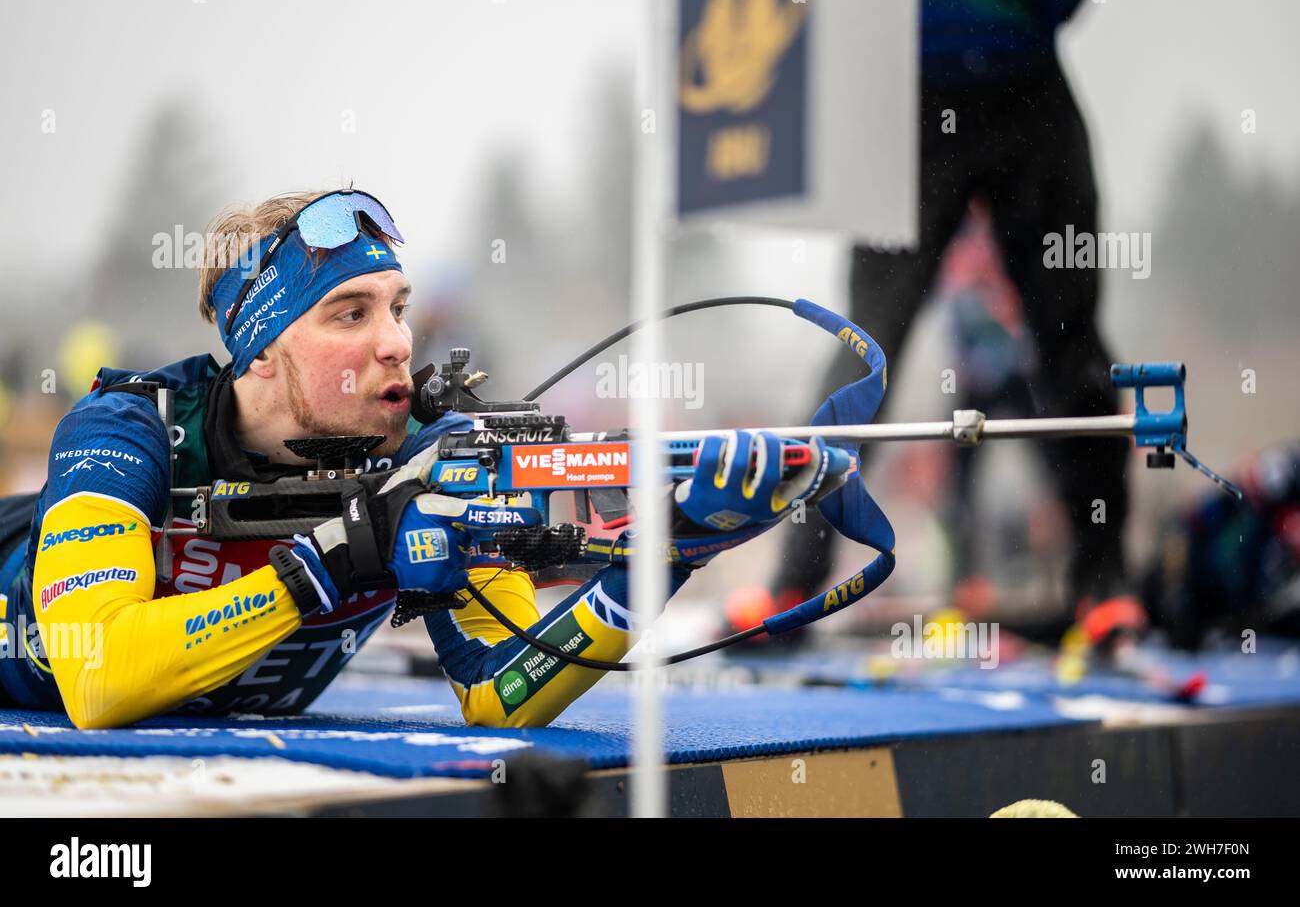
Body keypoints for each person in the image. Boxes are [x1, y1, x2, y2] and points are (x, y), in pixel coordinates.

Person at [0, 189, 839, 729]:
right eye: (349, 314)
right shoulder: (126, 427)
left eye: (397, 308)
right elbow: (98, 678)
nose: (397, 344)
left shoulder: (434, 463)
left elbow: (500, 694)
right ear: (258, 349)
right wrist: (327, 566)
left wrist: (661, 559)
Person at [769, 0, 1132, 639]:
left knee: (1072, 344)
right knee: (862, 345)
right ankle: (792, 584)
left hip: (1026, 85)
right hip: (909, 97)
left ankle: (1104, 584)